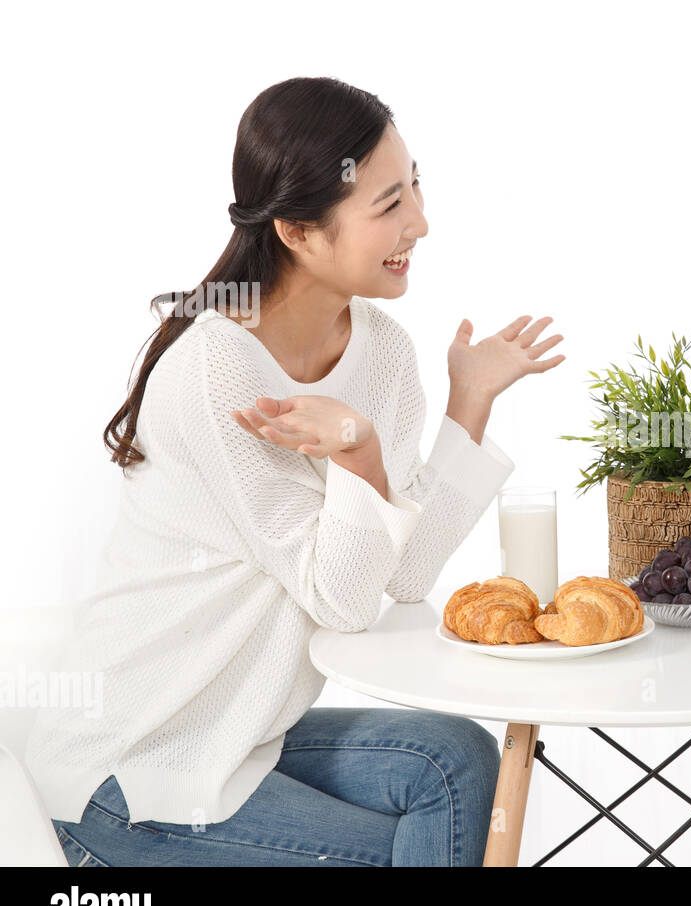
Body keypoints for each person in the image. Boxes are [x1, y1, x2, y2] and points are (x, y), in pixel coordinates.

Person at [25, 77, 564, 866]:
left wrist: (468, 405)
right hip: (130, 770)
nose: (420, 220)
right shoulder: (217, 368)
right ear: (298, 231)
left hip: (244, 737)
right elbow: (341, 601)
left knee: (456, 761)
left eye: (415, 184)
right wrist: (360, 457)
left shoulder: (382, 352)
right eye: (388, 204)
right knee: (400, 852)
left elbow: (405, 571)